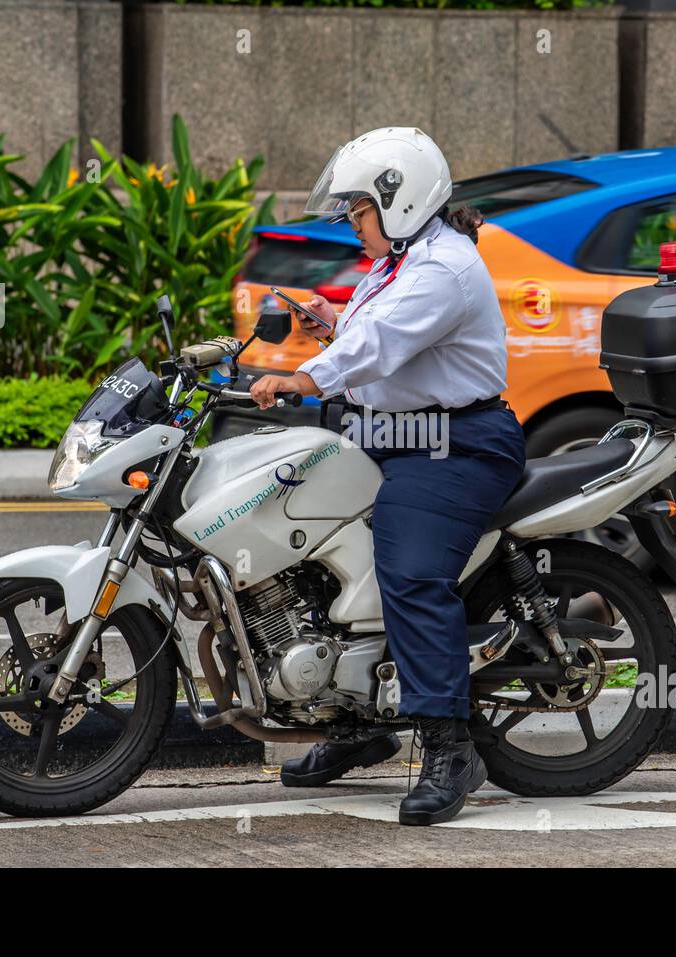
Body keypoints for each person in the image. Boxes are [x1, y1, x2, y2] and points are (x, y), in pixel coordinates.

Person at [248, 127, 527, 825]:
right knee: (306, 534)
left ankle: (448, 746)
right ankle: (355, 719)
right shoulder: (401, 259)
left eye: (359, 208)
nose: (351, 221)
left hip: (454, 442)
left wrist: (308, 374)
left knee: (407, 568)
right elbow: (374, 329)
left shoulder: (443, 268)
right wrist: (330, 322)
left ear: (400, 200)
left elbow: (385, 342)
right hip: (392, 432)